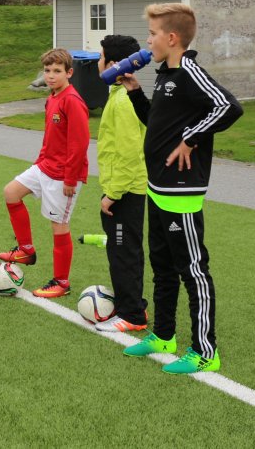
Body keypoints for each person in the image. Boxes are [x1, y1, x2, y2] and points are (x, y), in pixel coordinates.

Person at [117, 2, 242, 375]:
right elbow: (158, 121)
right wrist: (138, 93)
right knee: (163, 266)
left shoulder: (189, 70)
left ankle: (206, 351)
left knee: (193, 269)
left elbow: (229, 107)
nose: (148, 40)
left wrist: (191, 137)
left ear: (172, 38)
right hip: (157, 187)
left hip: (180, 191)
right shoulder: (166, 74)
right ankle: (164, 336)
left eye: (152, 34)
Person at [0, 48, 89, 298]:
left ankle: (61, 282)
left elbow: (79, 144)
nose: (50, 75)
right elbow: (51, 137)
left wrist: (70, 178)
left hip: (63, 176)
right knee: (11, 192)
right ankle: (26, 249)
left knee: (59, 226)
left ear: (69, 73)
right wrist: (40, 160)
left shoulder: (72, 100)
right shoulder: (52, 97)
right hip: (44, 167)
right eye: (47, 71)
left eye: (57, 71)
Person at [93, 34, 149, 332]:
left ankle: (133, 315)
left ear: (114, 65)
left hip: (125, 192)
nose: (97, 63)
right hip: (124, 188)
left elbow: (129, 153)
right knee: (125, 250)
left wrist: (112, 195)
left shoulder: (124, 102)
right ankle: (133, 303)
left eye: (100, 57)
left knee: (122, 251)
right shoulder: (118, 96)